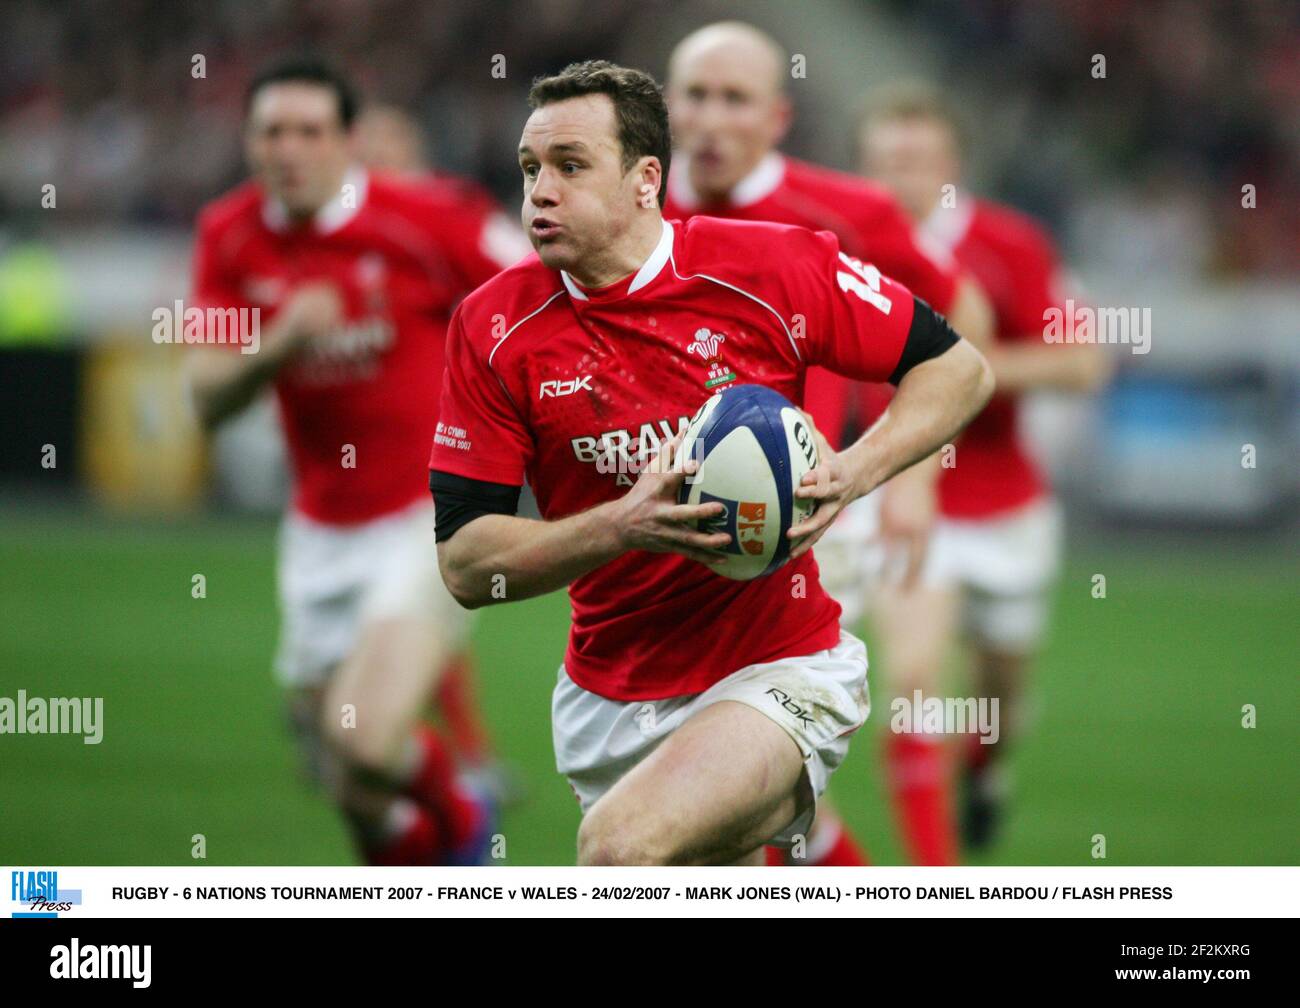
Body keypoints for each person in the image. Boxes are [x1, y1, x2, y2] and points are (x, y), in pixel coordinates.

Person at [428, 59, 993, 866]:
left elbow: (957, 367)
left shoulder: (772, 266)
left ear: (645, 179)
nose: (540, 191)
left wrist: (856, 474)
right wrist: (627, 525)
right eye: (530, 169)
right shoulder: (490, 328)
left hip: (783, 668)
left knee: (620, 852)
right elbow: (465, 563)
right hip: (608, 699)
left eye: (570, 166)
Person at [661, 20, 994, 865]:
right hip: (688, 528)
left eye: (734, 99)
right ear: (667, 105)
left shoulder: (845, 211)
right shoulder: (641, 218)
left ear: (777, 115)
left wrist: (911, 477)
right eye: (695, 96)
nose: (711, 119)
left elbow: (958, 321)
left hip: (825, 501)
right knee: (756, 801)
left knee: (859, 720)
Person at [187, 56, 528, 864]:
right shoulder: (228, 235)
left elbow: (540, 295)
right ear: (249, 142)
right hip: (317, 532)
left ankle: (468, 820)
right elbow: (204, 397)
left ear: (348, 140)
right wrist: (279, 344)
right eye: (273, 131)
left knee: (369, 738)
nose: (289, 149)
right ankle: (440, 856)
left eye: (310, 131)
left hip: (428, 513)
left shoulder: (426, 218)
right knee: (354, 786)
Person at [856, 82, 1111, 855]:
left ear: (951, 163)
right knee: (913, 688)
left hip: (1004, 501)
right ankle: (938, 882)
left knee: (998, 696)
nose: (896, 174)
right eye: (882, 159)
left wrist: (967, 368)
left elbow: (1083, 364)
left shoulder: (1013, 245)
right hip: (902, 489)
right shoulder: (844, 243)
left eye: (914, 156)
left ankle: (987, 770)